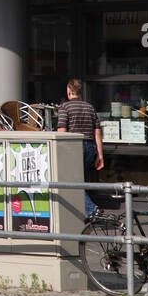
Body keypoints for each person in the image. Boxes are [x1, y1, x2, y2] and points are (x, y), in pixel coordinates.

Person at [56, 78, 103, 218]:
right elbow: (97, 132)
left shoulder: (65, 107)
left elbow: (61, 130)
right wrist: (100, 155)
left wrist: (60, 151)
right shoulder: (90, 107)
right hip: (89, 147)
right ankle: (83, 211)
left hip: (73, 147)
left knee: (71, 181)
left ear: (69, 91)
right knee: (79, 180)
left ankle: (92, 209)